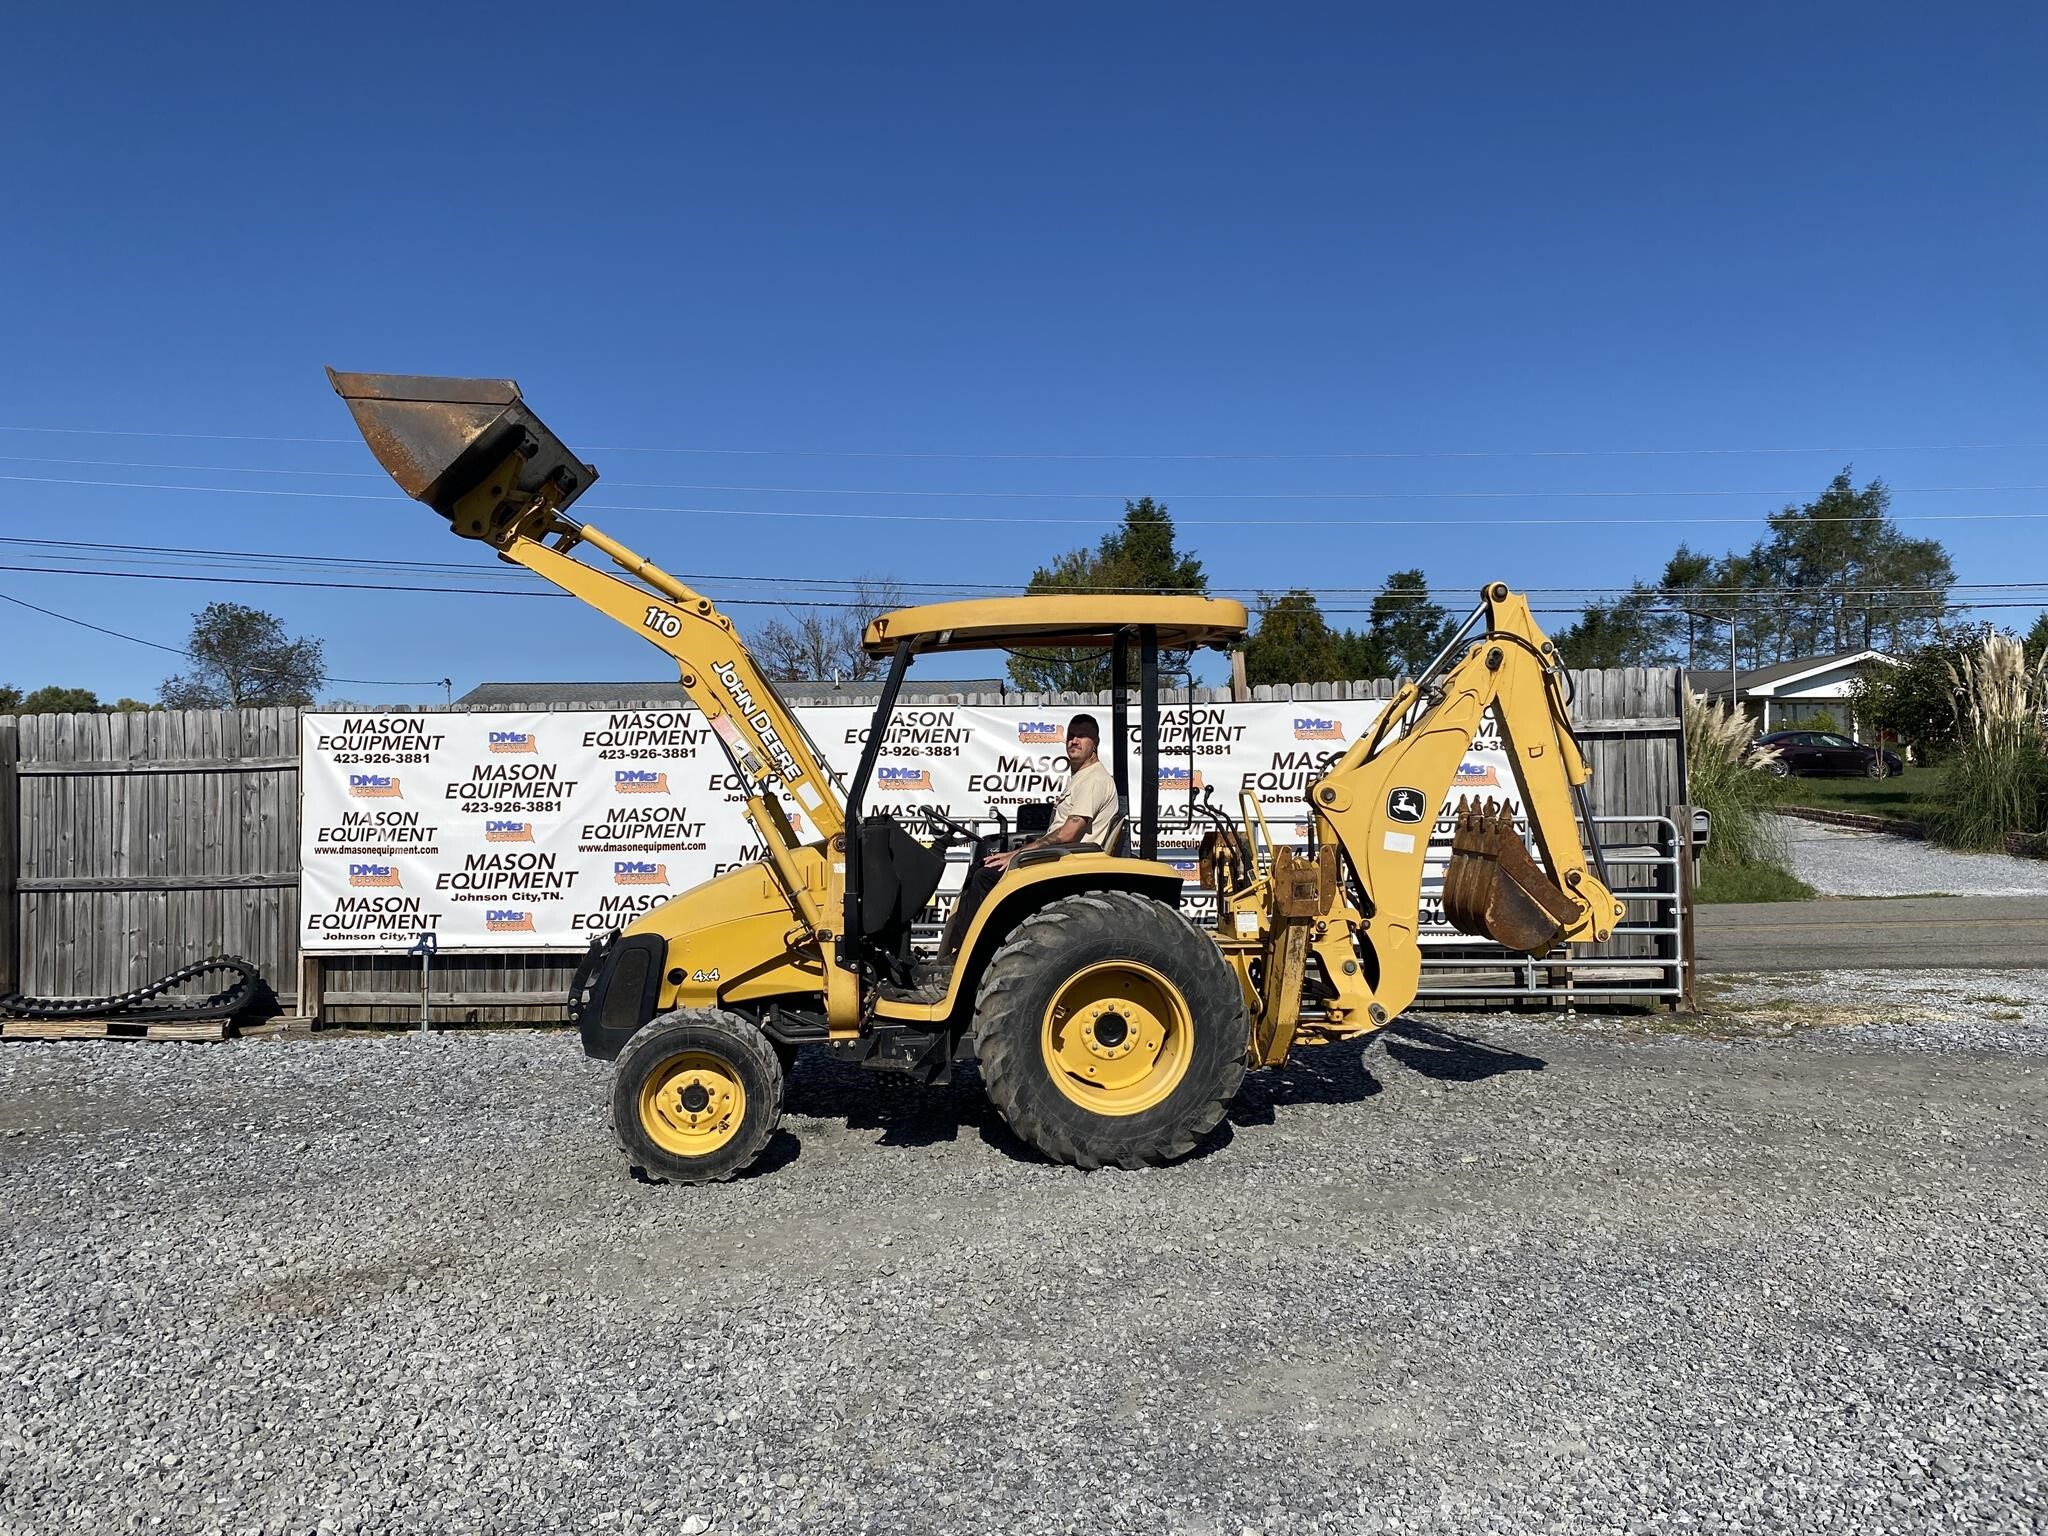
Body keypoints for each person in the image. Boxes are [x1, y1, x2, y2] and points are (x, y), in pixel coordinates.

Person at [937, 713, 1120, 959]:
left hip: (1072, 861)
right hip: (1065, 857)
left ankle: (966, 957)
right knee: (981, 868)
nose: (1074, 741)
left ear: (1095, 742)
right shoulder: (1080, 778)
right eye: (1071, 736)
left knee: (983, 877)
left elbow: (1069, 833)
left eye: (1082, 736)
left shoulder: (1095, 780)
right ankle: (961, 951)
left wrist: (1017, 854)